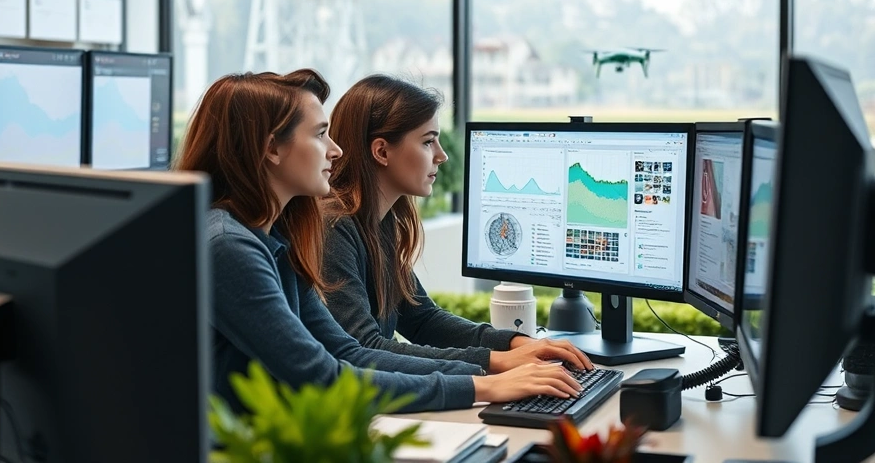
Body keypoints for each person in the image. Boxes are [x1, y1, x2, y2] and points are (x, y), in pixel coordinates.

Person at [175, 69, 583, 414]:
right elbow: (324, 374)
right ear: (271, 149)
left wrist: (505, 358)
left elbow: (348, 351)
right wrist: (487, 381)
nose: (334, 151)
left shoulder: (276, 238)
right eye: (319, 135)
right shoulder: (230, 246)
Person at [321, 75, 594, 374]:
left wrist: (517, 343)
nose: (442, 155)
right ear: (382, 152)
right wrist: (496, 362)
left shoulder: (376, 223)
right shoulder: (335, 228)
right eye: (428, 142)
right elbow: (365, 348)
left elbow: (423, 320)